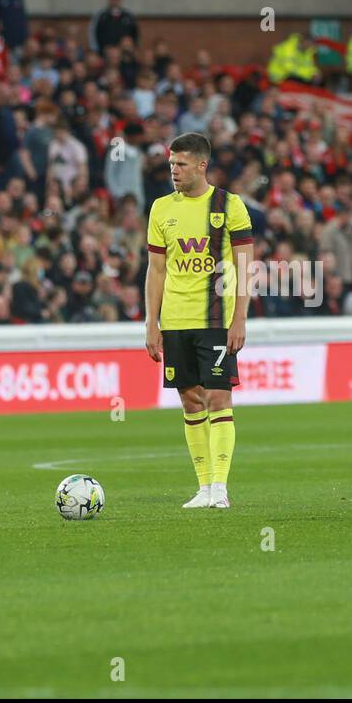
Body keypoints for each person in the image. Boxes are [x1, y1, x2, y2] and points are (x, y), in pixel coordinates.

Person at [144, 132, 254, 510]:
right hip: (175, 320)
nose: (173, 170)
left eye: (181, 164)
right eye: (171, 164)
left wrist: (240, 317)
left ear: (201, 166)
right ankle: (203, 488)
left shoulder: (229, 205)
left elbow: (245, 266)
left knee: (219, 397)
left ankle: (220, 489)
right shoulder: (161, 209)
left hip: (216, 320)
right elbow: (155, 270)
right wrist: (151, 324)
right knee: (191, 401)